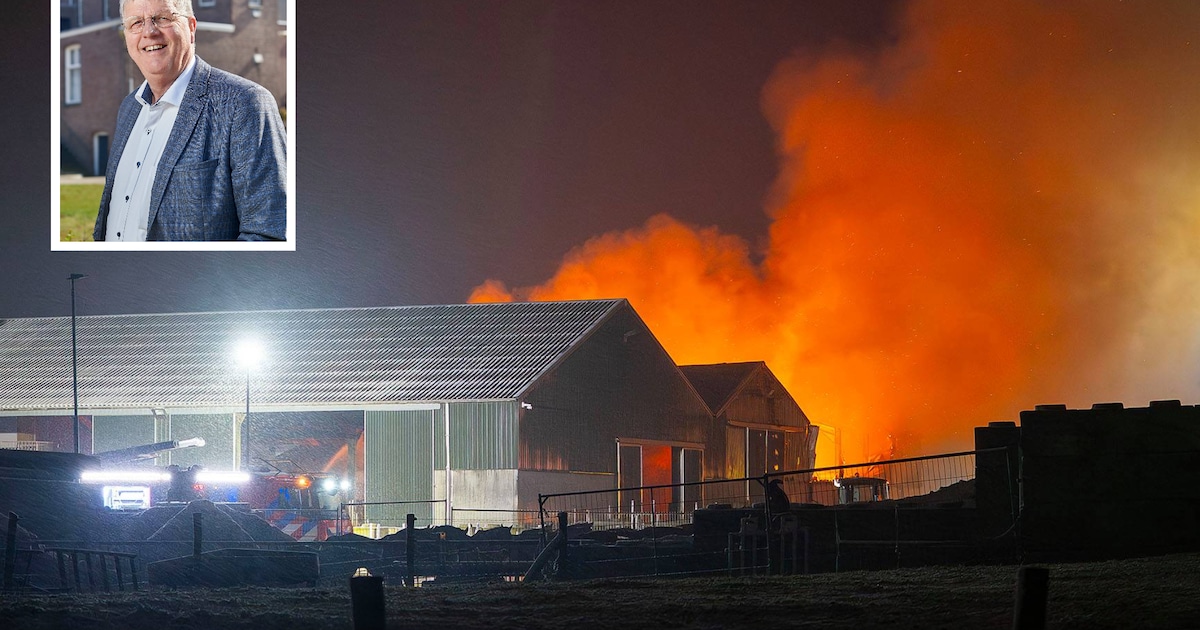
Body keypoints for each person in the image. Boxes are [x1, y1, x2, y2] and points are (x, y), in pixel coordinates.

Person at [92, 0, 286, 241]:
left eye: (162, 18)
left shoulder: (245, 103)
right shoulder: (129, 108)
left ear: (191, 27)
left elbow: (268, 232)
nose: (149, 32)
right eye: (136, 23)